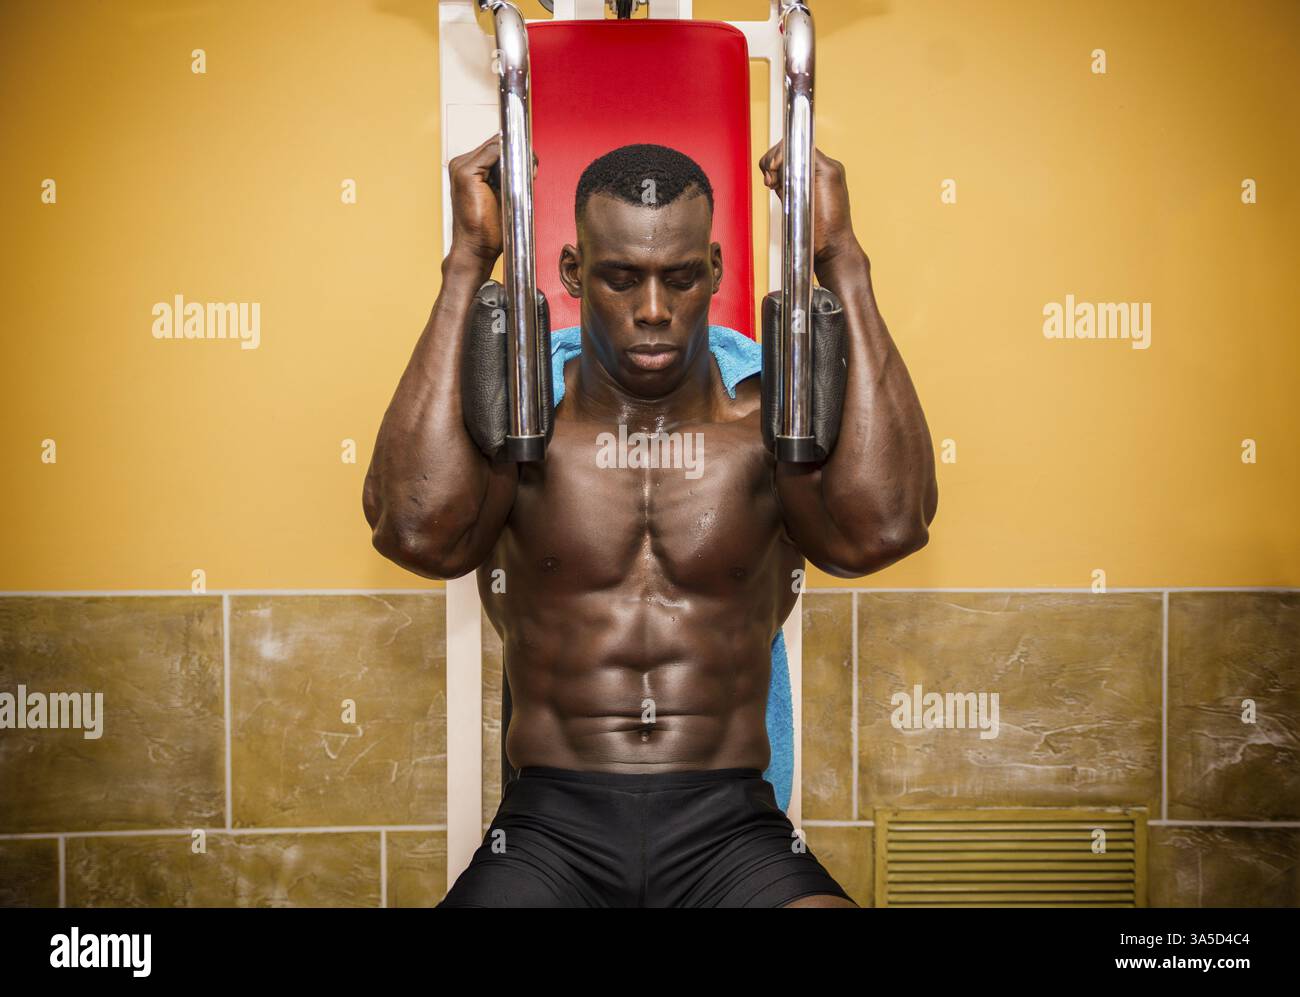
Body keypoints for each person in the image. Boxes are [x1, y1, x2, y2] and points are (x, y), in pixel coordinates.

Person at [363, 137, 937, 907]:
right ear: (572, 274)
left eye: (681, 278)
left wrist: (841, 258)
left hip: (730, 829)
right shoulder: (526, 431)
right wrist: (469, 258)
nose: (654, 311)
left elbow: (883, 531)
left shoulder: (769, 427)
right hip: (550, 828)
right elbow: (417, 535)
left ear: (716, 272)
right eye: (621, 279)